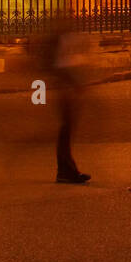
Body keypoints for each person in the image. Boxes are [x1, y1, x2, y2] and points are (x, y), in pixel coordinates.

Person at [38, 14, 91, 184]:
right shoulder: (55, 39)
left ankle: (68, 170)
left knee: (66, 129)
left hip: (65, 87)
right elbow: (59, 65)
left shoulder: (62, 38)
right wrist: (73, 83)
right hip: (63, 89)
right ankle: (66, 171)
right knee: (65, 129)